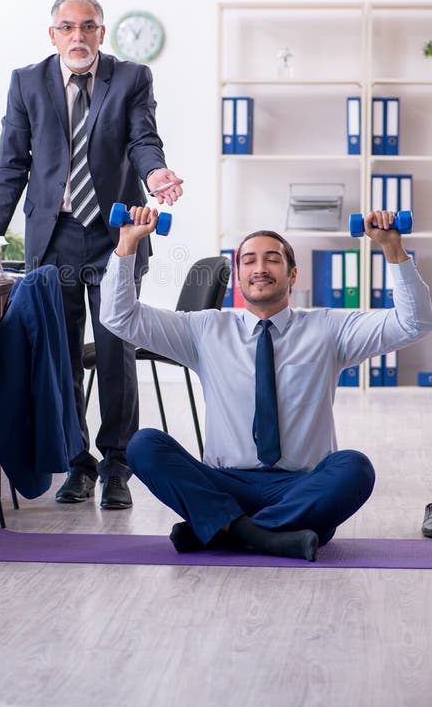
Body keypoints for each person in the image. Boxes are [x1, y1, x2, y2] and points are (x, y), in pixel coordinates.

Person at [100, 207, 432, 561]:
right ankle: (268, 536)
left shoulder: (330, 329)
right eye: (249, 261)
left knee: (354, 468)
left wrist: (393, 249)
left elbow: (415, 323)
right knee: (144, 445)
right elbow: (119, 317)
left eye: (272, 260)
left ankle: (221, 528)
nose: (260, 268)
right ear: (238, 275)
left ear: (292, 275)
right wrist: (127, 243)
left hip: (301, 488)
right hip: (225, 483)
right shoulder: (203, 330)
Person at [0, 0, 182, 510]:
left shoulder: (130, 79)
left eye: (88, 27)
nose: (78, 37)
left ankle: (117, 467)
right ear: (53, 35)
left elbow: (142, 139)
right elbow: (12, 165)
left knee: (115, 351)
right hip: (55, 236)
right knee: (60, 358)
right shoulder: (27, 82)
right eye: (68, 27)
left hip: (117, 236)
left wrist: (155, 174)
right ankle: (77, 464)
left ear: (102, 33)